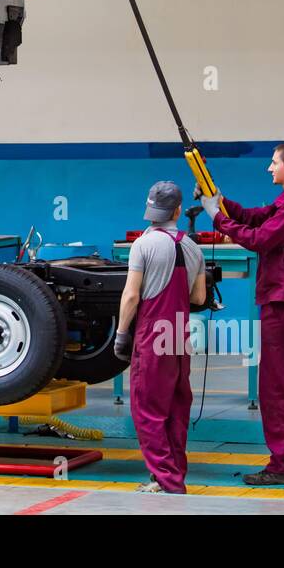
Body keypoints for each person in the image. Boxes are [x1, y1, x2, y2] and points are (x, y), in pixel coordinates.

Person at [200, 141, 284, 486]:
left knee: (276, 385)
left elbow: (259, 239)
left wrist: (216, 218)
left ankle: (282, 464)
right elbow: (255, 217)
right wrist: (220, 201)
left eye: (273, 162)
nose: (269, 168)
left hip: (283, 303)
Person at [113, 180, 208, 494]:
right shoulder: (193, 246)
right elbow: (198, 298)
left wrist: (122, 333)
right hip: (179, 337)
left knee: (148, 410)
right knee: (176, 409)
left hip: (152, 336)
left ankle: (168, 483)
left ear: (150, 208)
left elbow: (131, 296)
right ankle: (171, 475)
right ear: (179, 210)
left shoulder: (143, 244)